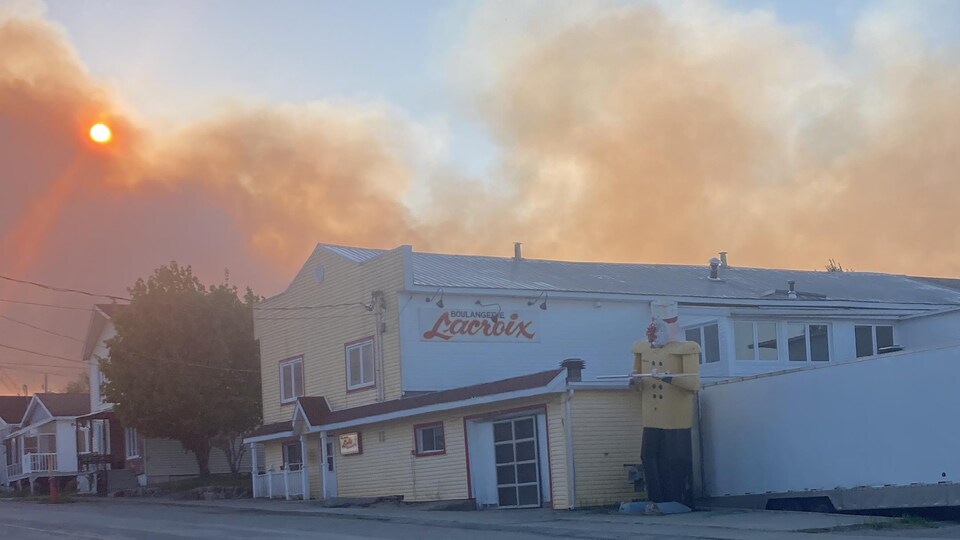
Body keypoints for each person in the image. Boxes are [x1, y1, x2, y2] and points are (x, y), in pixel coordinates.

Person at [631, 301, 700, 508]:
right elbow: (637, 383)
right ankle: (656, 499)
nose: (656, 332)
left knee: (674, 459)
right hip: (651, 419)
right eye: (654, 326)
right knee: (649, 457)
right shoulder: (642, 349)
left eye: (664, 325)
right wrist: (634, 381)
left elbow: (693, 383)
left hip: (675, 420)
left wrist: (668, 378)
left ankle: (678, 499)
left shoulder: (686, 349)